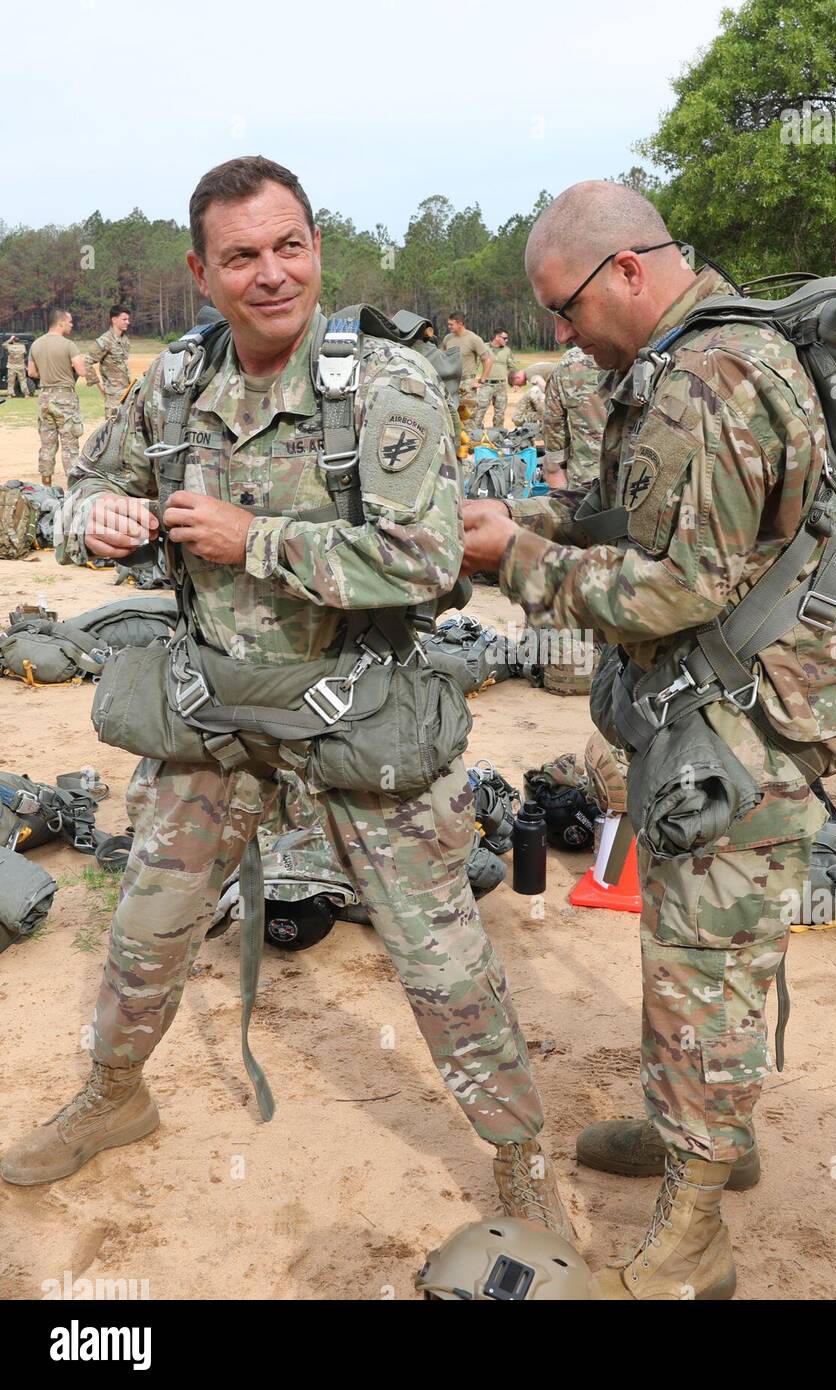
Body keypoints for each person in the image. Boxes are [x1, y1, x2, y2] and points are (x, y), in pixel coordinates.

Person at [1, 156, 572, 1244]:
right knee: (144, 932)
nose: (273, 274)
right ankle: (115, 1091)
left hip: (356, 718)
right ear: (201, 272)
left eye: (290, 246)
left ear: (315, 247)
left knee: (443, 961)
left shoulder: (386, 387)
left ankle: (517, 1154)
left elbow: (425, 561)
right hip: (214, 713)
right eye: (243, 256)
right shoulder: (171, 385)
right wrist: (92, 523)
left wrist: (250, 539)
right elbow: (70, 493)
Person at [462, 180, 836, 1299]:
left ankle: (693, 1230)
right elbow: (643, 522)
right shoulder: (690, 363)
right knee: (715, 956)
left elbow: (674, 586)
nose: (558, 333)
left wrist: (515, 564)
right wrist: (527, 524)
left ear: (627, 272)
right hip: (734, 716)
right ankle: (704, 1138)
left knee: (700, 967)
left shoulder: (708, 377)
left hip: (742, 730)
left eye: (565, 308)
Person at [26, 309, 87, 485]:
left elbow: (31, 372)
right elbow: (81, 371)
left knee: (47, 443)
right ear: (60, 323)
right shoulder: (69, 345)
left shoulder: (36, 344)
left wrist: (48, 373)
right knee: (69, 444)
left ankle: (46, 484)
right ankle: (73, 485)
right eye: (70, 321)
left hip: (45, 397)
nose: (71, 324)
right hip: (65, 398)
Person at [541, 344, 608, 490]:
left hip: (587, 477)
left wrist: (558, 463)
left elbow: (553, 422)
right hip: (639, 478)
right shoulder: (650, 352)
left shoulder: (571, 360)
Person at [441, 312, 491, 435]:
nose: (449, 327)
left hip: (467, 383)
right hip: (451, 382)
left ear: (460, 324)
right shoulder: (448, 339)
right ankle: (456, 444)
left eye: (451, 324)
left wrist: (482, 381)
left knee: (468, 417)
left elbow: (488, 360)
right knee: (451, 414)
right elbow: (441, 357)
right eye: (448, 324)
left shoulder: (473, 339)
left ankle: (472, 445)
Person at [84, 305, 132, 418]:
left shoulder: (124, 340)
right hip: (113, 396)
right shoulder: (105, 340)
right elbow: (87, 362)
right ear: (114, 320)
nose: (128, 322)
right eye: (124, 319)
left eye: (128, 319)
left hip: (126, 393)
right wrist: (100, 386)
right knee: (112, 428)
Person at [474, 329, 517, 431]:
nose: (506, 340)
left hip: (501, 386)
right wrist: (473, 380)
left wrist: (514, 381)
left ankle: (498, 434)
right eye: (504, 338)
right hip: (486, 385)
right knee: (480, 410)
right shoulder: (484, 347)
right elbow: (475, 364)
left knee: (500, 413)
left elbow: (512, 367)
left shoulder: (507, 350)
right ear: (497, 337)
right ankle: (476, 434)